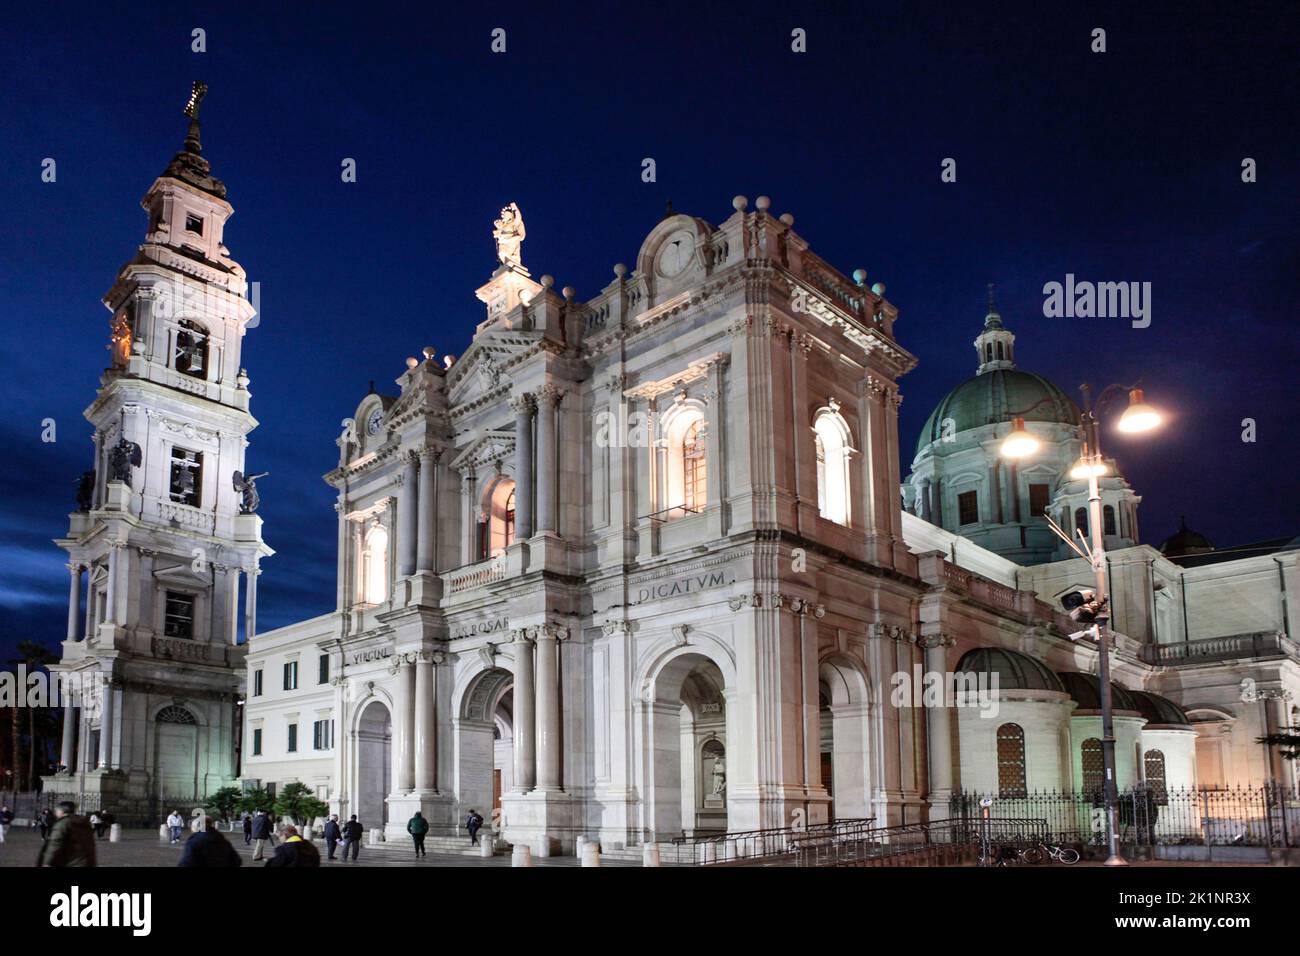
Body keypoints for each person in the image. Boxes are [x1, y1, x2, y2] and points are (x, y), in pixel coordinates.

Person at [37, 801, 96, 867]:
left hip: (71, 862)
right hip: (87, 861)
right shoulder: (83, 822)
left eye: (57, 811)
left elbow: (55, 844)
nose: (55, 813)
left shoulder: (63, 823)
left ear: (62, 811)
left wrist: (47, 862)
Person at [178, 816, 242, 867]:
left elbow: (187, 863)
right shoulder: (222, 840)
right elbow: (237, 860)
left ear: (198, 826)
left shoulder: (194, 841)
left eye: (192, 826)